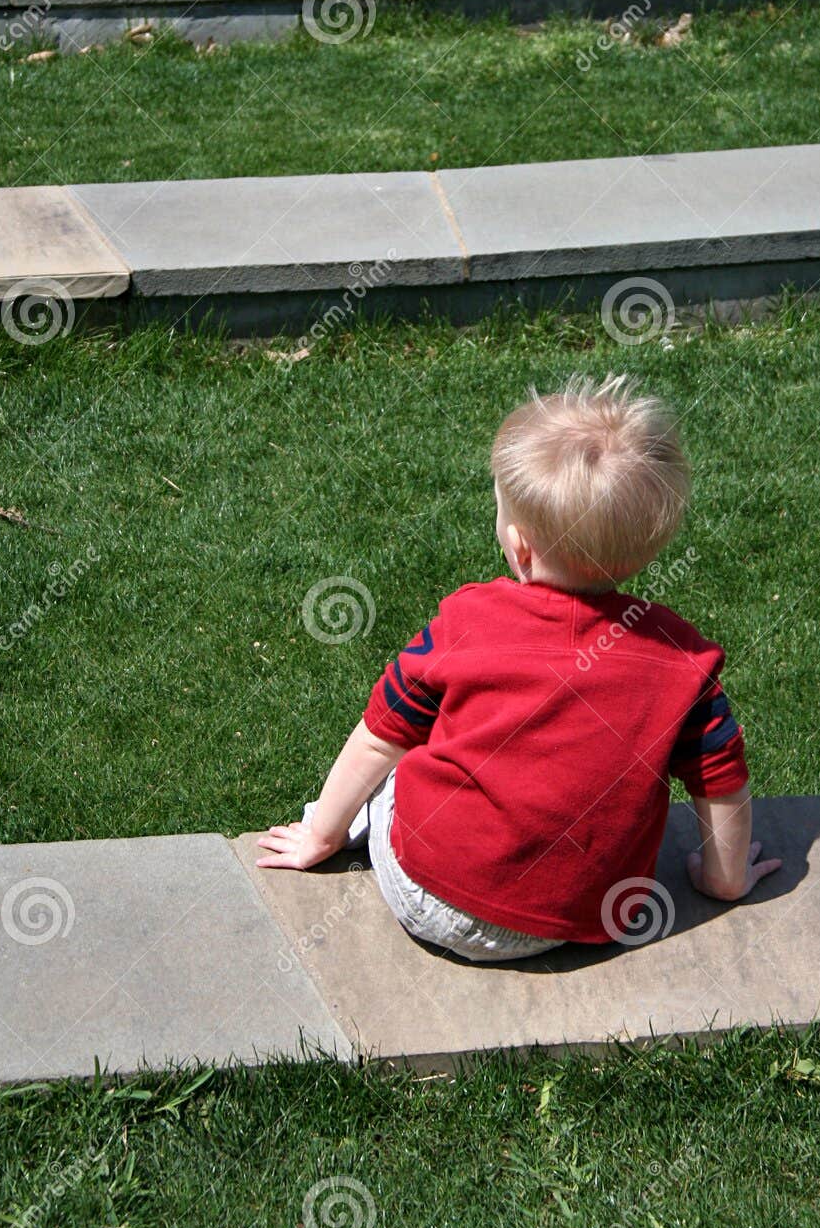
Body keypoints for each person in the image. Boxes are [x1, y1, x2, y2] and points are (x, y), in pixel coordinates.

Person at [258, 375, 781, 959]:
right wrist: (725, 880)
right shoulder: (683, 662)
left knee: (404, 753)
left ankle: (348, 828)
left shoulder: (468, 621)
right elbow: (722, 782)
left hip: (427, 893)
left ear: (519, 545)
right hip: (581, 917)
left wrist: (320, 837)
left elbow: (379, 738)